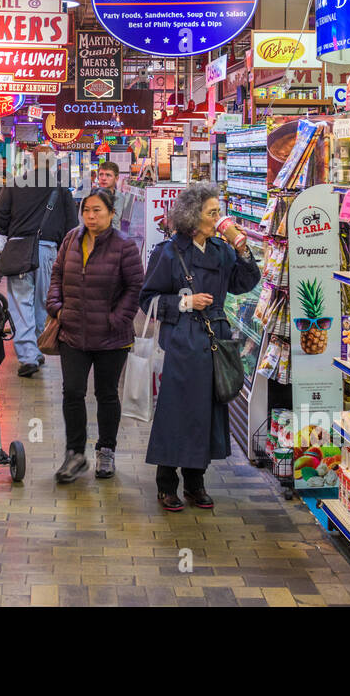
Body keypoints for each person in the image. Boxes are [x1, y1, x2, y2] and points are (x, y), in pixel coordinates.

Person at [141, 182, 260, 511]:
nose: (219, 219)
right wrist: (185, 301)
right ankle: (167, 483)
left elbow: (243, 283)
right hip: (182, 341)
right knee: (177, 411)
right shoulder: (168, 253)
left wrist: (243, 251)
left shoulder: (222, 251)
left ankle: (196, 481)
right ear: (194, 216)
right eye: (213, 213)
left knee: (206, 412)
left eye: (219, 212)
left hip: (214, 340)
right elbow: (148, 300)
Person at [45, 189, 143, 483]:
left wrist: (118, 318)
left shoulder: (125, 246)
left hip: (112, 337)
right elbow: (57, 275)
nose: (91, 216)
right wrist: (56, 307)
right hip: (73, 332)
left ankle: (106, 450)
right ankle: (74, 453)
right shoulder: (71, 240)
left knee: (106, 393)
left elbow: (135, 286)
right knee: (73, 391)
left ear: (112, 213)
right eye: (86, 210)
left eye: (97, 210)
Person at [0, 146, 78, 377]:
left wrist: (11, 230)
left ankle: (29, 355)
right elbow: (72, 226)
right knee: (43, 301)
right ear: (54, 163)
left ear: (32, 161)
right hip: (49, 251)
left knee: (21, 304)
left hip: (19, 249)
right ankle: (39, 346)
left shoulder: (14, 185)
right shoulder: (61, 191)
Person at [84, 160, 121, 229]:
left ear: (116, 178)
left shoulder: (122, 199)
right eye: (101, 174)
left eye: (108, 175)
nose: (103, 178)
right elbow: (83, 223)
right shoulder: (89, 197)